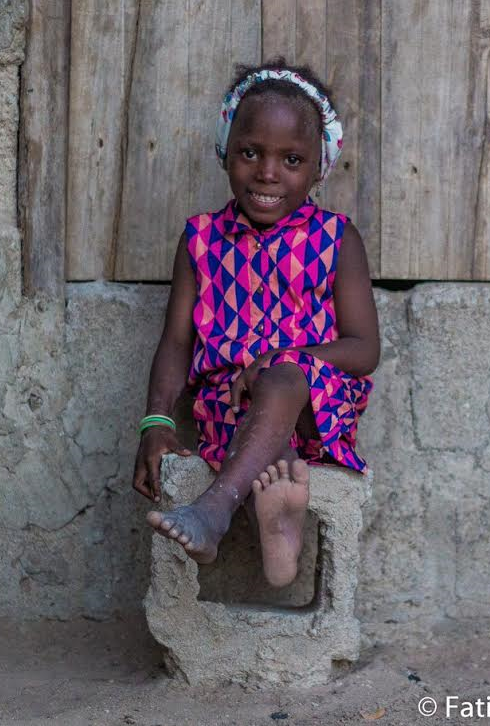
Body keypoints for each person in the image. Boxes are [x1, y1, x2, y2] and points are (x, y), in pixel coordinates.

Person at [132, 58, 380, 588]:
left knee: (282, 379)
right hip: (229, 406)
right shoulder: (199, 240)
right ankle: (278, 525)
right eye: (251, 153)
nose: (268, 173)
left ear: (319, 167)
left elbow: (364, 349)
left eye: (291, 159)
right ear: (227, 151)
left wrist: (287, 358)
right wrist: (157, 422)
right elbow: (177, 343)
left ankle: (214, 511)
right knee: (263, 443)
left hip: (318, 404)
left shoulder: (337, 239)